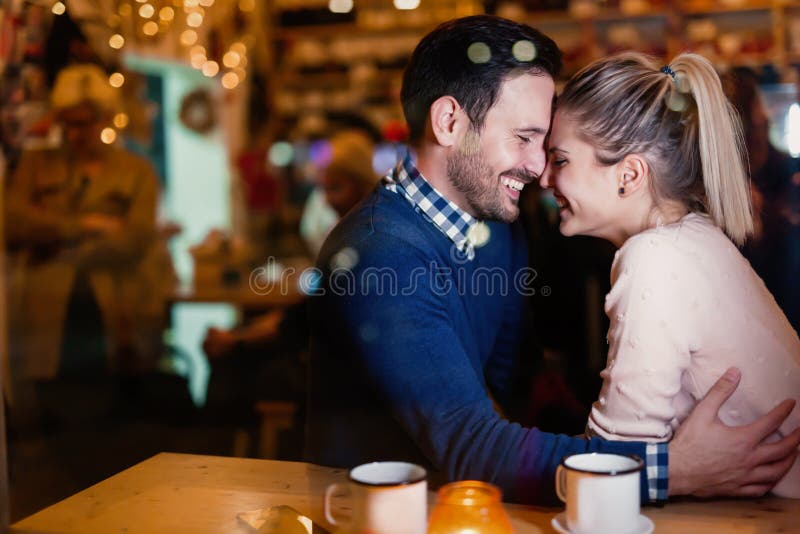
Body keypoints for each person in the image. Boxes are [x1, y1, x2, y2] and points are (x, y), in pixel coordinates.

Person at [305, 15, 800, 504]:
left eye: (545, 145)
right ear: (449, 122)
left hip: (457, 504)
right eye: (523, 138)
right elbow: (470, 444)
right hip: (369, 512)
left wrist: (630, 453)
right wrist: (670, 468)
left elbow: (521, 386)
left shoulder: (497, 226)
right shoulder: (380, 259)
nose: (539, 167)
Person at [540, 52, 800, 497]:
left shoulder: (653, 260)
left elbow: (608, 469)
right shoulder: (690, 238)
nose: (543, 178)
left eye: (560, 160)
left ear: (630, 173)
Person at [6, 64, 159, 426]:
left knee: (113, 423)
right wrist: (84, 226)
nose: (77, 133)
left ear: (104, 118)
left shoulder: (134, 171)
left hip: (116, 311)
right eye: (70, 123)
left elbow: (135, 238)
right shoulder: (35, 164)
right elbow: (12, 221)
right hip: (47, 317)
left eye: (86, 122)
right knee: (52, 419)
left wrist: (57, 245)